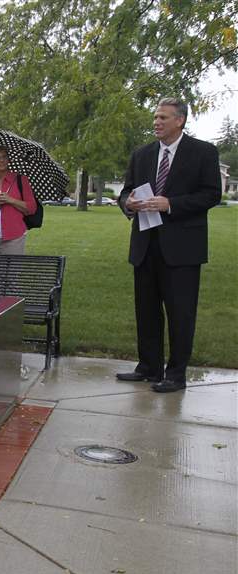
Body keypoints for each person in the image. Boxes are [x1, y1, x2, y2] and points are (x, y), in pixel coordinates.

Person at [116, 98, 222, 393]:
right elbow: (125, 191)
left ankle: (176, 374)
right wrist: (128, 203)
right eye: (155, 117)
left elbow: (211, 194)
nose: (156, 122)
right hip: (145, 245)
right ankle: (148, 367)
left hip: (182, 249)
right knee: (146, 311)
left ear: (180, 120)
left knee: (180, 313)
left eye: (163, 117)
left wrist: (170, 204)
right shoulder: (142, 154)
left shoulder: (203, 152)